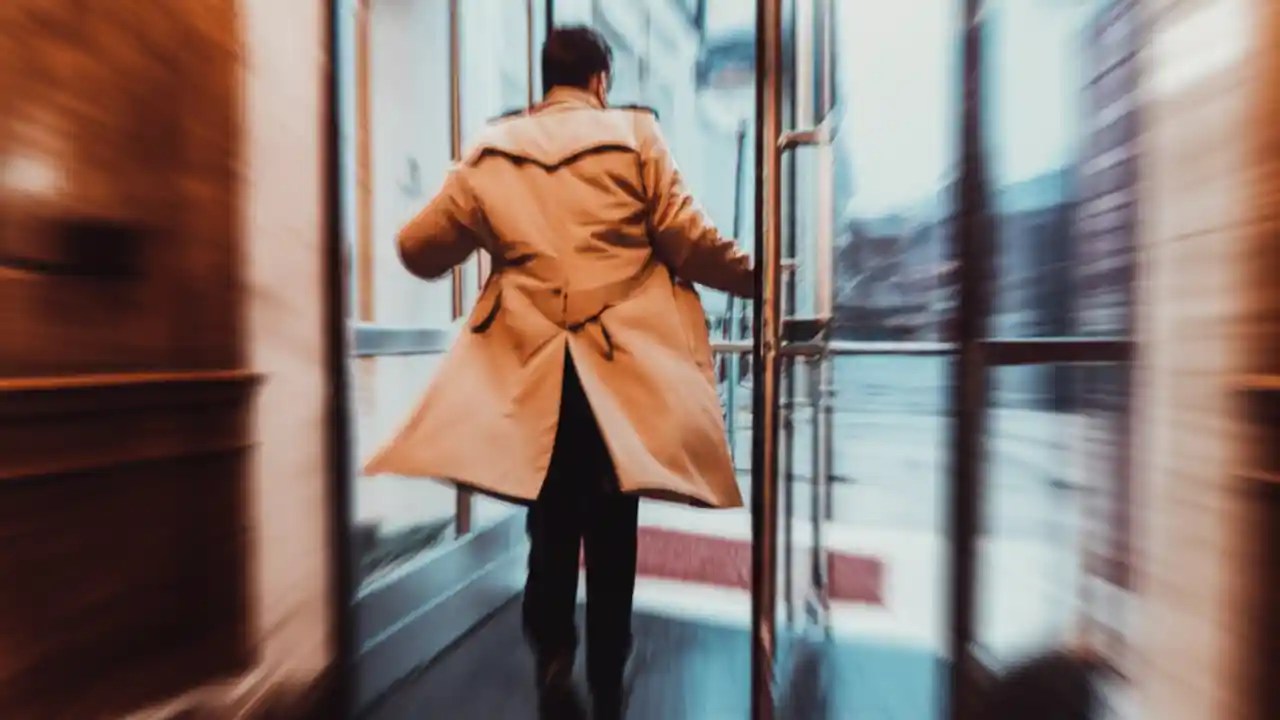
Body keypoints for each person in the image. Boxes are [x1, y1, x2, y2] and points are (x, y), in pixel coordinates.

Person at [363, 25, 753, 720]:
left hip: (535, 377)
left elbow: (419, 248)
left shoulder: (492, 148)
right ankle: (609, 671)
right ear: (600, 80)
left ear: (547, 82)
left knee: (550, 525)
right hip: (618, 373)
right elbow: (689, 242)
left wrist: (497, 234)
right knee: (612, 529)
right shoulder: (636, 137)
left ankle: (551, 654)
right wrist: (763, 279)